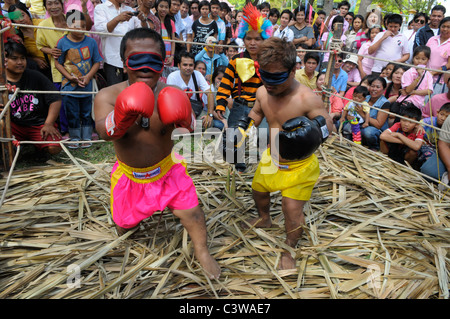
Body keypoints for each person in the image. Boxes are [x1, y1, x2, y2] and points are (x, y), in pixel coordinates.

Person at [93, 28, 220, 279]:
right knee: (124, 226)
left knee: (193, 214)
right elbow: (105, 133)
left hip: (168, 171)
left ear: (163, 63)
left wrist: (185, 119)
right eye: (136, 59)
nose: (144, 67)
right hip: (131, 177)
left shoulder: (170, 94)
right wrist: (121, 116)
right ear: (123, 62)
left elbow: (187, 130)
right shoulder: (108, 95)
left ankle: (202, 251)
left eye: (152, 60)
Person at [233, 37, 334, 270]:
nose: (269, 84)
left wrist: (312, 131)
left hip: (299, 166)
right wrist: (241, 129)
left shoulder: (306, 98)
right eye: (265, 76)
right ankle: (264, 218)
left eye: (276, 77)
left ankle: (290, 247)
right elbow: (257, 113)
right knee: (258, 191)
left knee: (291, 210)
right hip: (272, 157)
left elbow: (329, 126)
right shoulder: (262, 92)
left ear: (292, 70)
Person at [215, 3, 272, 172]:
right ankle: (238, 168)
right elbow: (225, 84)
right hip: (240, 105)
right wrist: (220, 103)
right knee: (233, 139)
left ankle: (262, 166)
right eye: (249, 39)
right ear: (243, 38)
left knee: (264, 137)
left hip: (261, 107)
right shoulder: (235, 60)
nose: (253, 43)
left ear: (264, 39)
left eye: (257, 39)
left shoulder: (269, 62)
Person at [54, 10, 103, 149]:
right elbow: (58, 63)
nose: (81, 30)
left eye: (83, 27)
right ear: (68, 26)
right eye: (76, 27)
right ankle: (75, 137)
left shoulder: (91, 42)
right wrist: (69, 77)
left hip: (86, 86)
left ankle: (86, 137)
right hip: (69, 86)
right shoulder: (62, 42)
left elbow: (96, 62)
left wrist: (88, 77)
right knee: (72, 113)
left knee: (86, 112)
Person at [5, 40, 62, 156]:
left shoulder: (35, 76)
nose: (20, 62)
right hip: (12, 125)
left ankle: (39, 147)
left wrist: (49, 123)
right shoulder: (2, 81)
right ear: (4, 60)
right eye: (15, 58)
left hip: (38, 124)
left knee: (54, 148)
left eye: (23, 58)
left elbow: (55, 99)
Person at [94, 0, 147, 86]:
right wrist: (117, 19)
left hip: (131, 60)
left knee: (131, 92)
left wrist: (143, 20)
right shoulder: (101, 8)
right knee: (115, 93)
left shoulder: (129, 9)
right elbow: (101, 31)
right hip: (112, 60)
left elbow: (143, 32)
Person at [167, 50, 214, 126]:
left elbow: (210, 93)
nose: (188, 68)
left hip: (196, 108)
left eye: (191, 65)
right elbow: (170, 100)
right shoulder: (172, 77)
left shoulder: (197, 74)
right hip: (178, 109)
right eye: (185, 65)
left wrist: (210, 115)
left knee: (208, 123)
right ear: (179, 65)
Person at [7, 2, 51, 80]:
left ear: (28, 14)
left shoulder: (42, 23)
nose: (21, 20)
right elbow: (20, 55)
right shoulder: (18, 35)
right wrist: (34, 59)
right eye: (16, 18)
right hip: (41, 69)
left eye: (23, 15)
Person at [395, 46, 433, 114]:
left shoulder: (428, 74)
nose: (419, 61)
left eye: (423, 59)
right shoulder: (408, 72)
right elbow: (408, 90)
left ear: (428, 60)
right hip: (407, 102)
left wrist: (413, 92)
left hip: (418, 105)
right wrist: (419, 77)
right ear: (413, 58)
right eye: (417, 58)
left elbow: (429, 91)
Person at [420, 104, 450, 184]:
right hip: (427, 145)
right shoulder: (430, 122)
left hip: (434, 148)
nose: (443, 118)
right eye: (441, 114)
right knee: (428, 170)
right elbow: (418, 125)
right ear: (437, 112)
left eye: (446, 116)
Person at [359, 76, 391, 150]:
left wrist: (362, 114)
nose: (374, 89)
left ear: (384, 89)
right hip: (362, 124)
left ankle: (374, 147)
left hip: (376, 129)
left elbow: (378, 124)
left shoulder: (385, 103)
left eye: (378, 87)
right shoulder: (365, 98)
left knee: (368, 132)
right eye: (372, 86)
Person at [426, 17, 450, 97]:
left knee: (434, 103)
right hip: (426, 77)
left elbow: (449, 64)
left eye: (448, 27)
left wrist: (433, 72)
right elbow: (424, 55)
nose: (445, 29)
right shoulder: (432, 39)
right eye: (443, 26)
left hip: (441, 81)